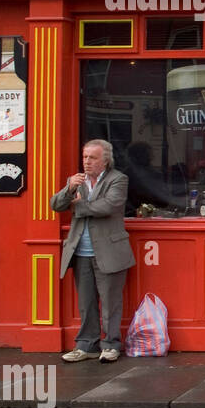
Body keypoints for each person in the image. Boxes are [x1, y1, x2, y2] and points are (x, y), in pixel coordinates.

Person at [51, 139, 137, 361]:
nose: (86, 162)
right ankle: (86, 346)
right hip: (81, 251)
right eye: (84, 157)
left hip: (109, 250)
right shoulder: (77, 181)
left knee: (110, 302)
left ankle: (110, 345)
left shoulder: (118, 179)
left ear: (105, 160)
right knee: (86, 303)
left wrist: (77, 206)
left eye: (92, 158)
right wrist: (69, 189)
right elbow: (55, 205)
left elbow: (109, 205)